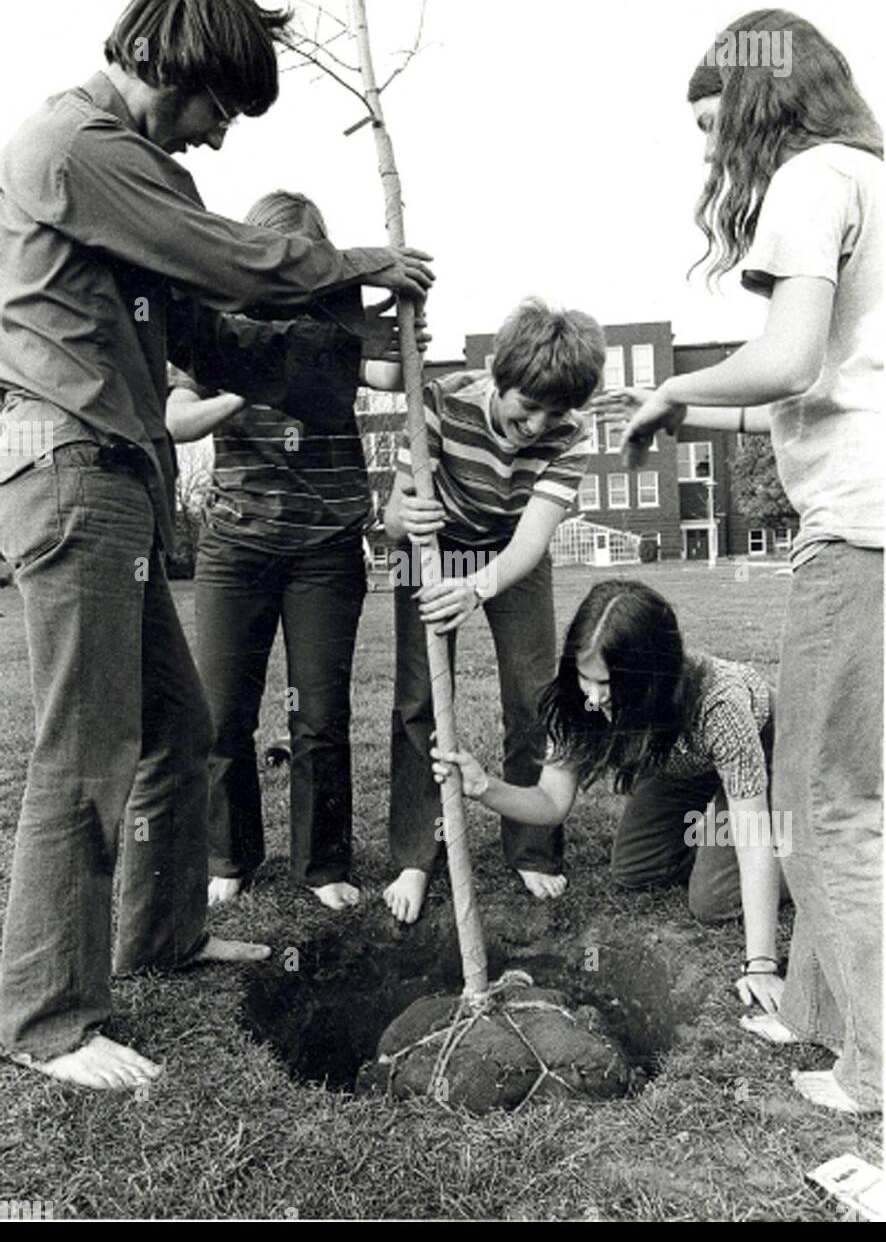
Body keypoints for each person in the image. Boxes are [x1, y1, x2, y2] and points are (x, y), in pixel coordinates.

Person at [0, 0, 432, 1091]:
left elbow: (218, 334)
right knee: (85, 744)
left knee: (174, 727)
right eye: (216, 109)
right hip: (69, 466)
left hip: (121, 474)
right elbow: (228, 257)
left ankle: (163, 935)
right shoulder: (76, 145)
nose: (219, 136)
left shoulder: (129, 177)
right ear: (170, 64)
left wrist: (350, 337)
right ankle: (47, 1019)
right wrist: (350, 264)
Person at [618, 10, 882, 1113]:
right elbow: (832, 387)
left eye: (712, 124)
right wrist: (691, 423)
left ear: (762, 102)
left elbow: (785, 360)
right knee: (851, 792)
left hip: (858, 534)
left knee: (825, 806)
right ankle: (827, 1020)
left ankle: (870, 1064)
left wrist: (678, 385)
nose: (711, 153)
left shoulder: (809, 177)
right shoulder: (870, 173)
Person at [167, 190, 427, 912]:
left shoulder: (335, 323)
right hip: (235, 545)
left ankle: (323, 866)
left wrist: (403, 332)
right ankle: (231, 857)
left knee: (318, 716)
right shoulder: (221, 327)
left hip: (326, 547)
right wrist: (249, 389)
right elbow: (177, 417)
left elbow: (391, 375)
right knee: (223, 715)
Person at [433, 579, 786, 1014]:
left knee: (711, 900)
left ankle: (798, 851)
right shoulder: (583, 701)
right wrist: (483, 786)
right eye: (586, 677)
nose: (595, 697)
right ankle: (713, 830)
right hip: (680, 763)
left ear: (652, 676)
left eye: (609, 683)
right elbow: (551, 803)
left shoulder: (719, 705)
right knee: (636, 869)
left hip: (765, 746)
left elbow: (751, 839)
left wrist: (762, 964)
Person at [383, 299, 606, 924]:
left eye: (553, 412)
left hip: (513, 553)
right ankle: (414, 855)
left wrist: (475, 588)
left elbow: (531, 542)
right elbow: (393, 518)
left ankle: (532, 847)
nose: (536, 425)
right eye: (525, 406)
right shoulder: (436, 403)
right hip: (437, 545)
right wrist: (407, 520)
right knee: (420, 697)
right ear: (495, 376)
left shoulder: (571, 434)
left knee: (536, 693)